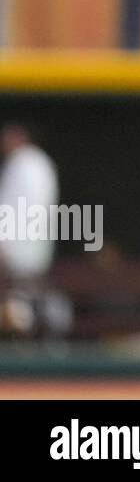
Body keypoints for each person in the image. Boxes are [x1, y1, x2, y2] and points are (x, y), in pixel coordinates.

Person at [0, 123, 59, 335]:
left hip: (19, 250)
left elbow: (10, 207)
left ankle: (24, 338)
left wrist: (4, 245)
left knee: (20, 299)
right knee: (30, 295)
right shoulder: (41, 162)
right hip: (36, 248)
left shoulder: (22, 163)